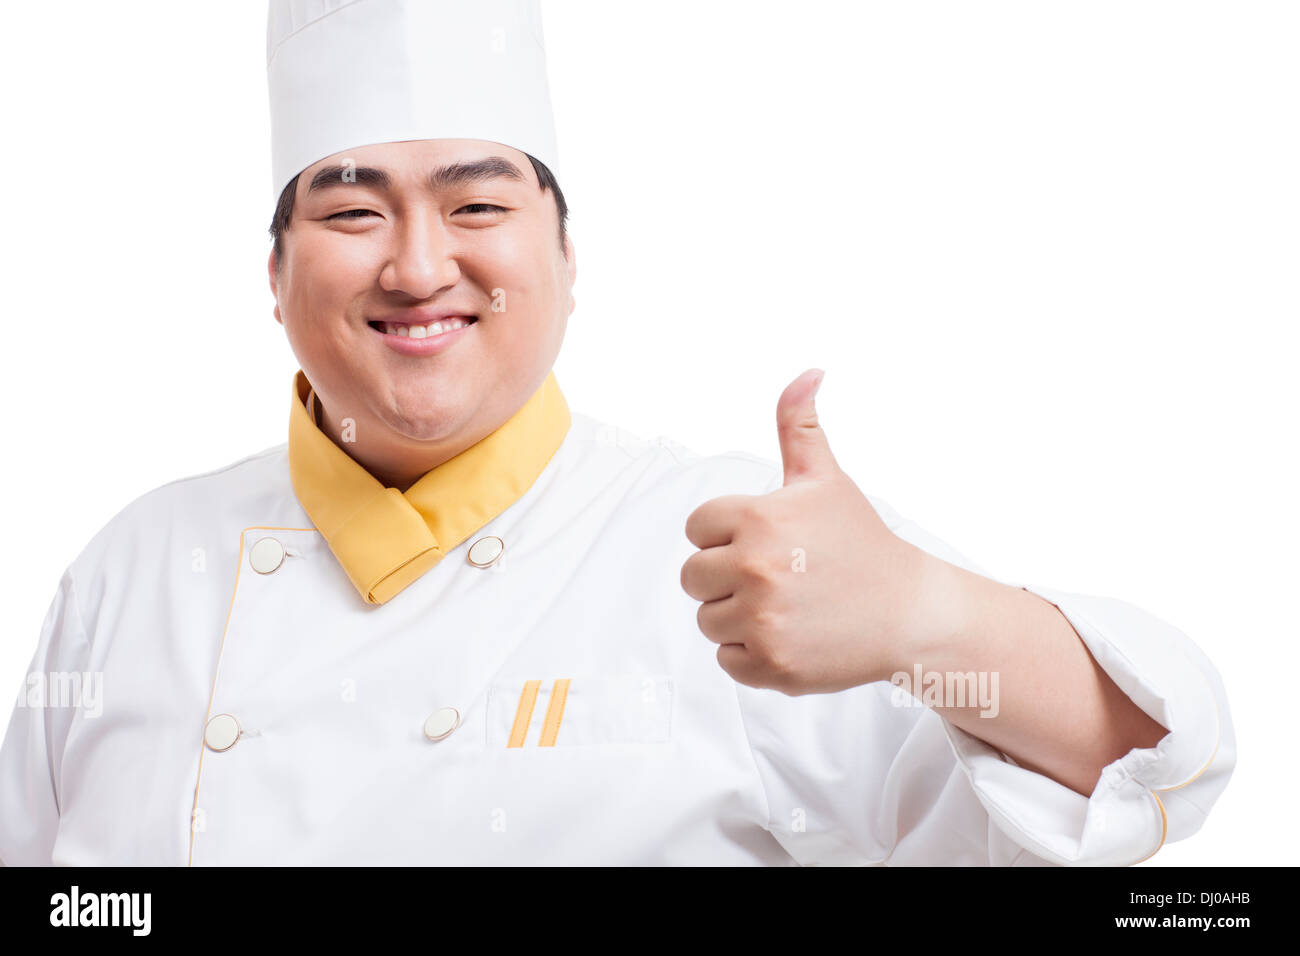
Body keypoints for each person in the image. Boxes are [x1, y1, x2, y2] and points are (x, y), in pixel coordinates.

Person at [0, 0, 1232, 866]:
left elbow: (1145, 770)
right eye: (352, 208)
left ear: (567, 261)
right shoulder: (134, 567)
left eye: (477, 201)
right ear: (273, 275)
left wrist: (926, 616)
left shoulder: (733, 551)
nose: (420, 263)